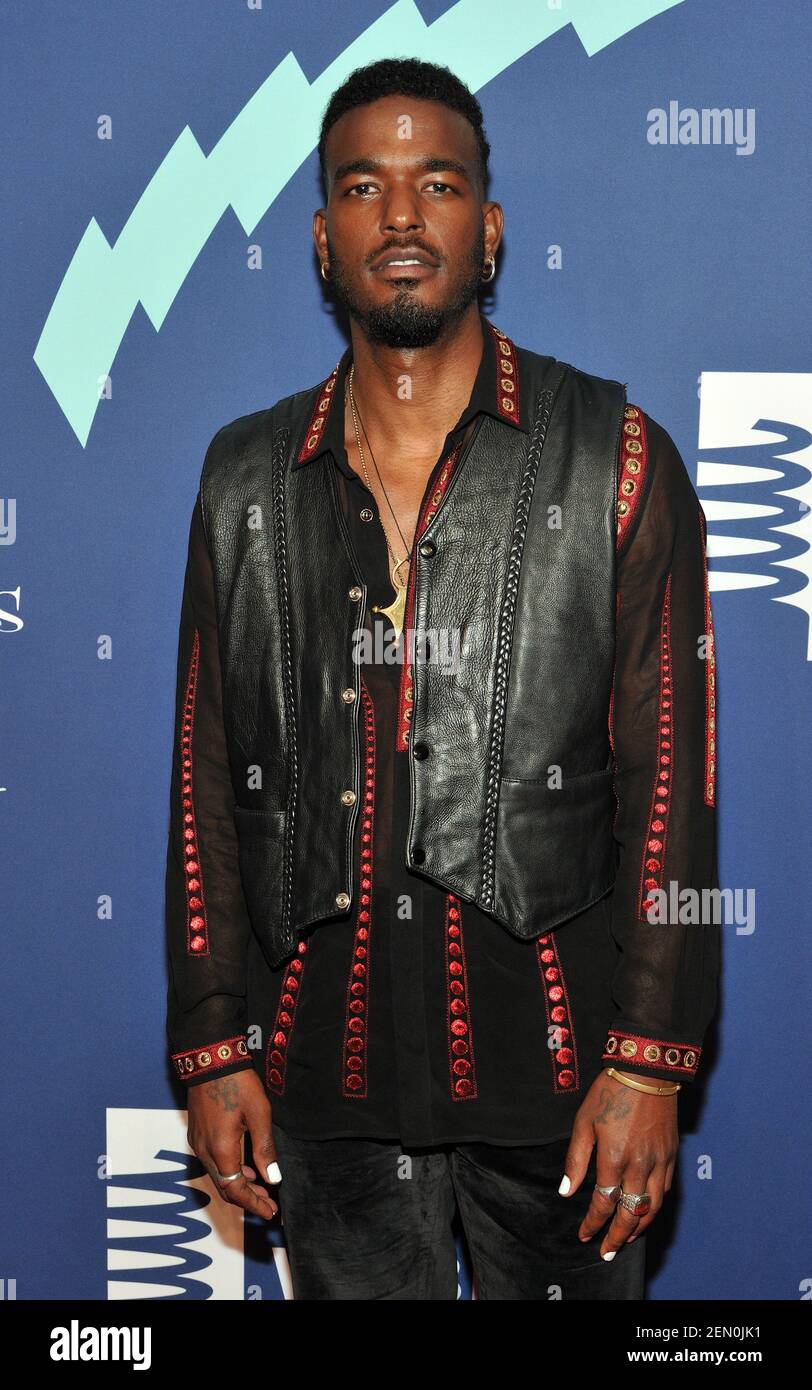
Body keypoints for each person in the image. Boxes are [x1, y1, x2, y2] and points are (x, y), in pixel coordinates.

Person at [164, 57, 720, 1300]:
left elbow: (672, 780)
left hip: (566, 1087)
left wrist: (646, 1058)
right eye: (364, 186)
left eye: (439, 184)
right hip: (325, 1080)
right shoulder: (245, 480)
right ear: (321, 239)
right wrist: (210, 1039)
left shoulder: (615, 457)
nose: (402, 217)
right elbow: (203, 774)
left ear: (489, 228)